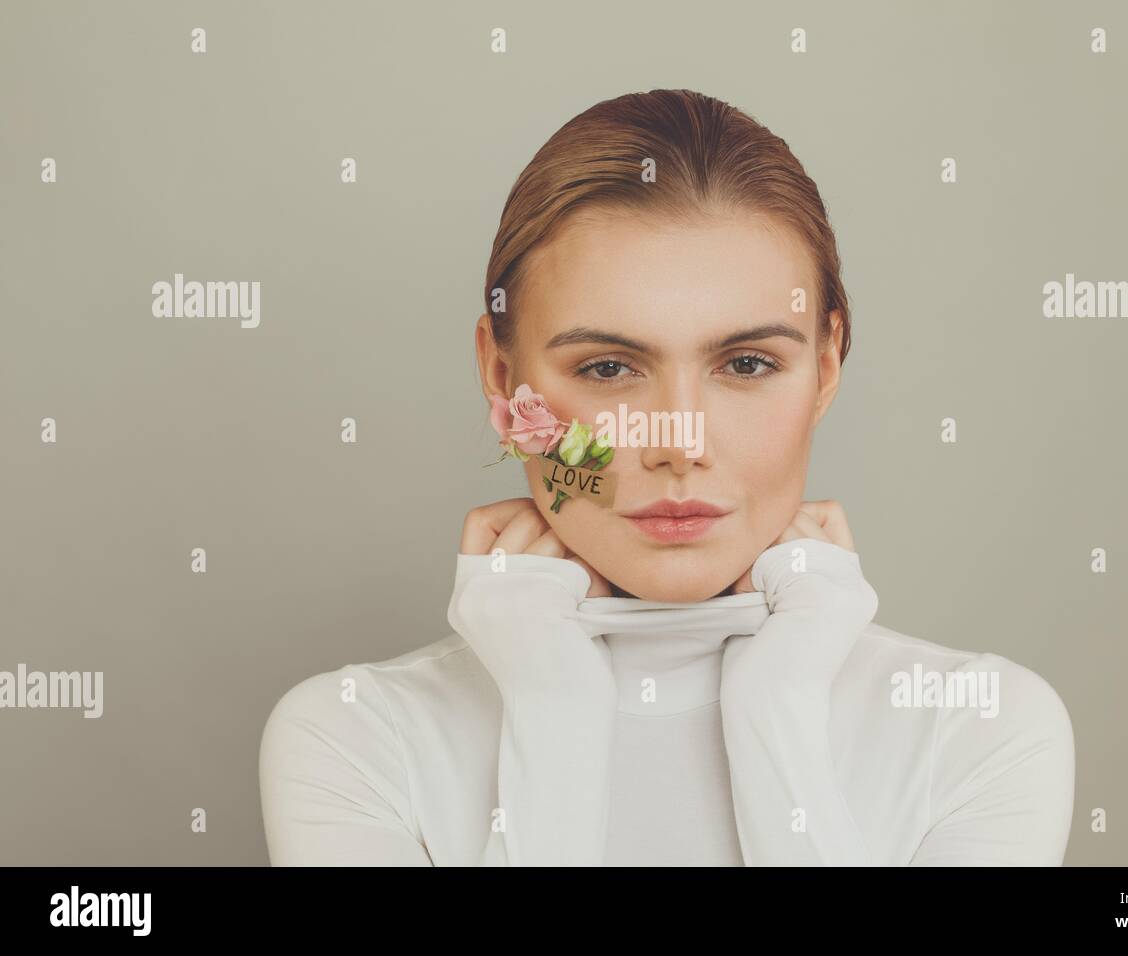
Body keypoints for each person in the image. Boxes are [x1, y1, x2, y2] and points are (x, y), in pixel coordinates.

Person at [258, 89, 1075, 866]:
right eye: (609, 367)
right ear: (504, 379)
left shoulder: (977, 728)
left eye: (747, 363)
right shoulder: (356, 738)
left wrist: (777, 711)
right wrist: (556, 712)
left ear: (826, 366)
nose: (679, 443)